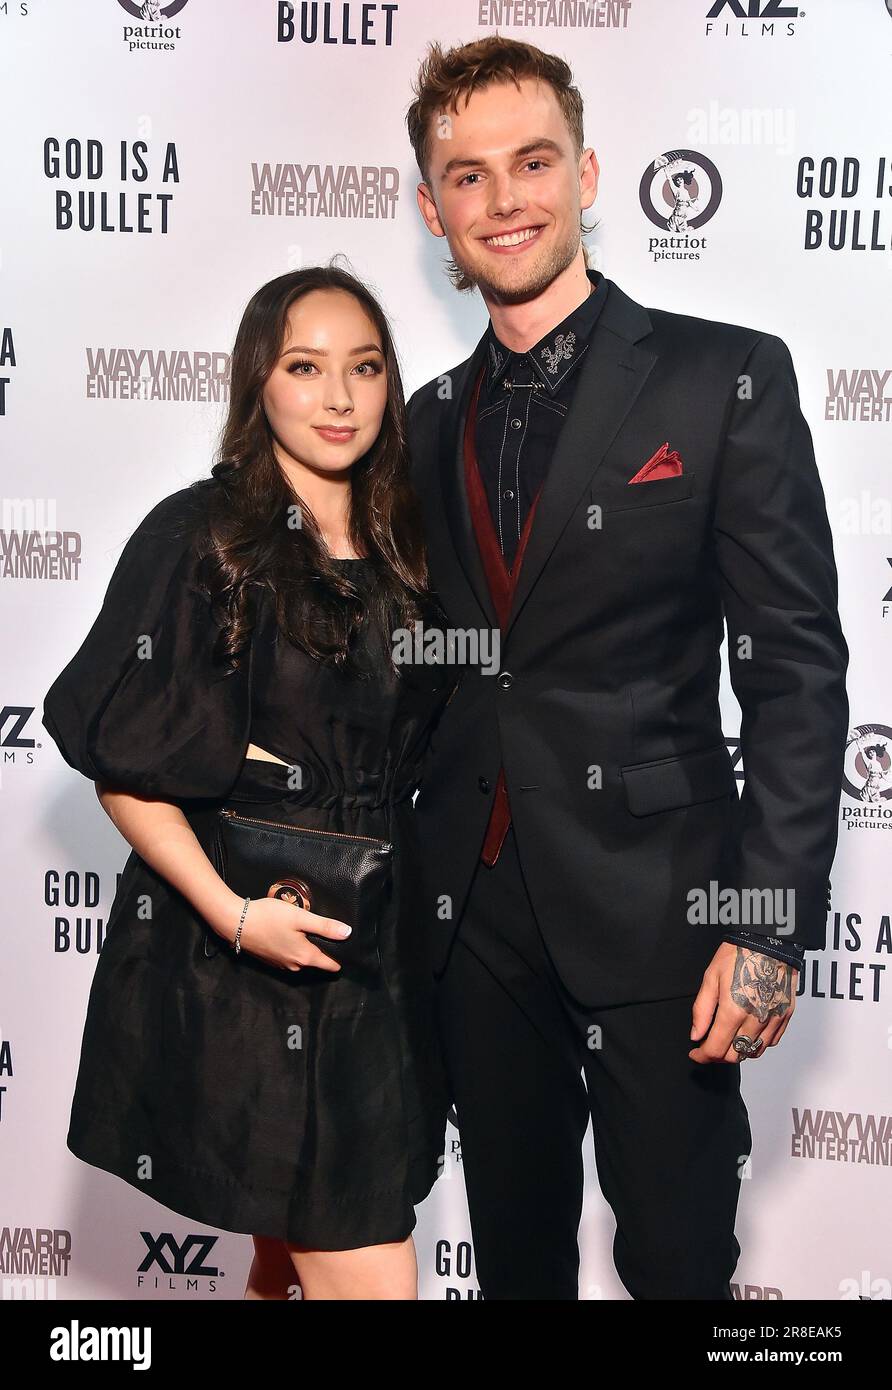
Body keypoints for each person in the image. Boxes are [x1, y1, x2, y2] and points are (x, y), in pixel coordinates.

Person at [403, 36, 849, 1299]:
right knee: (516, 1267)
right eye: (469, 176)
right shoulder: (424, 421)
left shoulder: (722, 376)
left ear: (588, 171)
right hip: (477, 922)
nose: (506, 200)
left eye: (533, 162)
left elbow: (795, 671)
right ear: (433, 207)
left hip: (669, 916)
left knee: (675, 1265)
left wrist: (764, 919)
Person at [42, 263, 453, 1301]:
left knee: (284, 1253)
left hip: (374, 950)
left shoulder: (408, 541)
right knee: (360, 1261)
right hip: (252, 954)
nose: (339, 397)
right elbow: (125, 768)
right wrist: (234, 915)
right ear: (256, 384)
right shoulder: (203, 537)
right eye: (305, 367)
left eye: (364, 368)